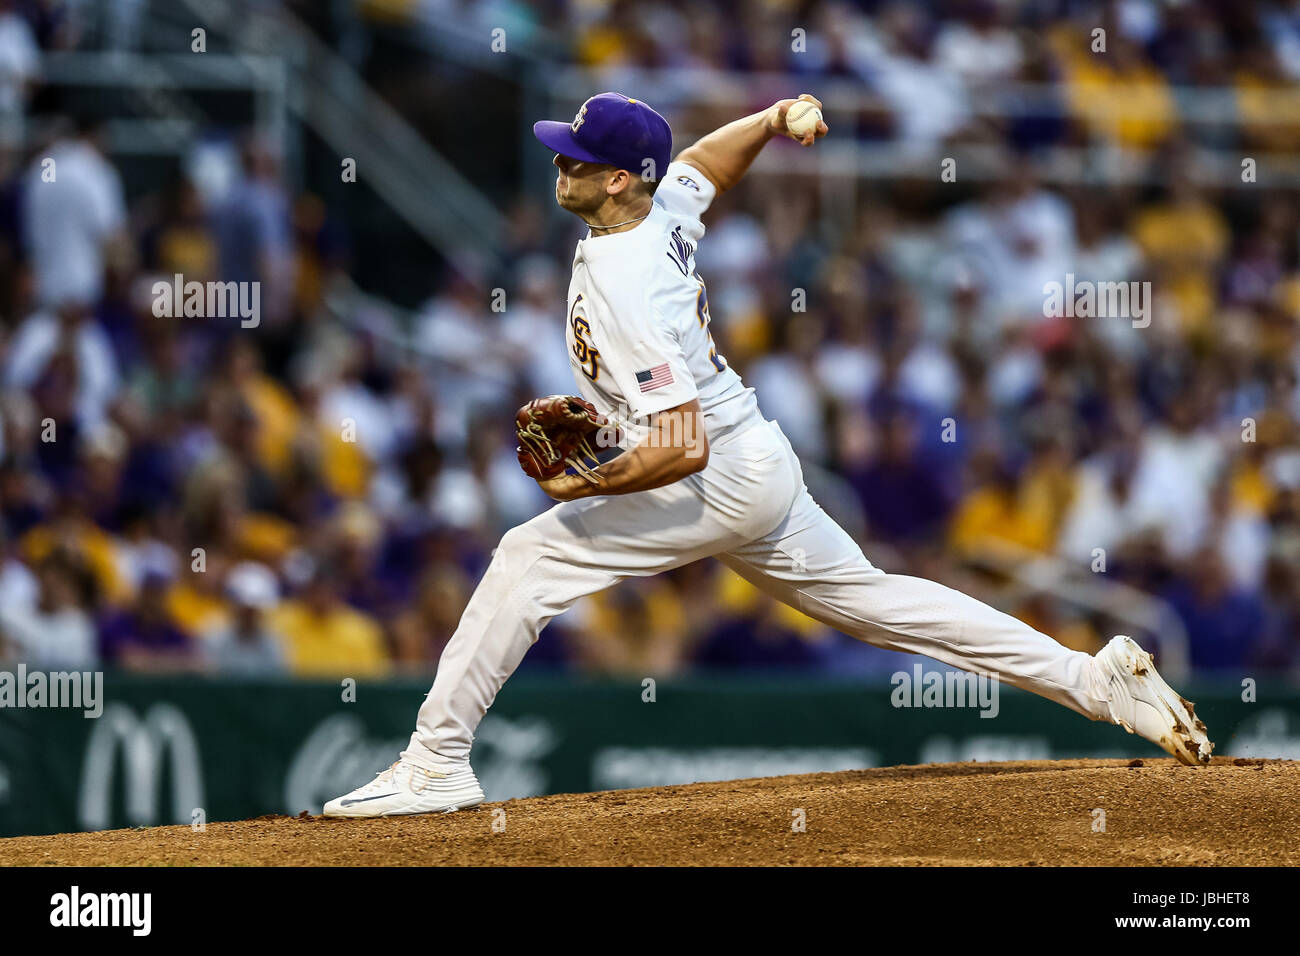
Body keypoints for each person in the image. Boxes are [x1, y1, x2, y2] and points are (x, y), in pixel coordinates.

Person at [325, 92, 1213, 817]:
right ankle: (1097, 684)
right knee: (879, 602)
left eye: (580, 157)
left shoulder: (627, 275)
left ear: (625, 180)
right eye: (564, 151)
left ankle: (435, 762)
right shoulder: (658, 207)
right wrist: (774, 117)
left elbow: (680, 444)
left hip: (714, 469)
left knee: (530, 555)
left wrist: (589, 475)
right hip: (756, 459)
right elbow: (704, 166)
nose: (562, 163)